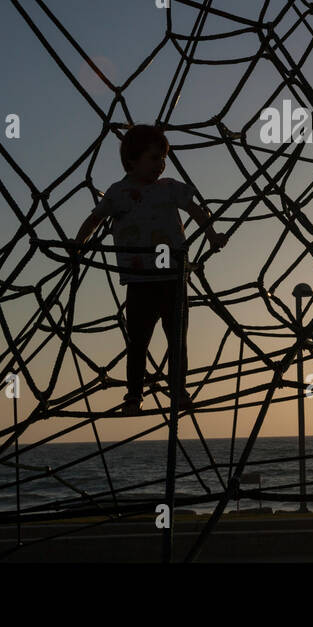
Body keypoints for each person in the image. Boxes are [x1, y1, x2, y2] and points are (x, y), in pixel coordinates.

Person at [77, 125, 225, 414]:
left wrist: (212, 235)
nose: (161, 165)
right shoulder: (119, 193)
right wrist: (78, 243)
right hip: (140, 280)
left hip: (172, 276)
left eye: (163, 158)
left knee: (177, 339)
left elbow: (197, 210)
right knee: (137, 341)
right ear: (132, 161)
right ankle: (134, 394)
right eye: (155, 158)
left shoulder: (169, 188)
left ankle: (178, 390)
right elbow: (94, 219)